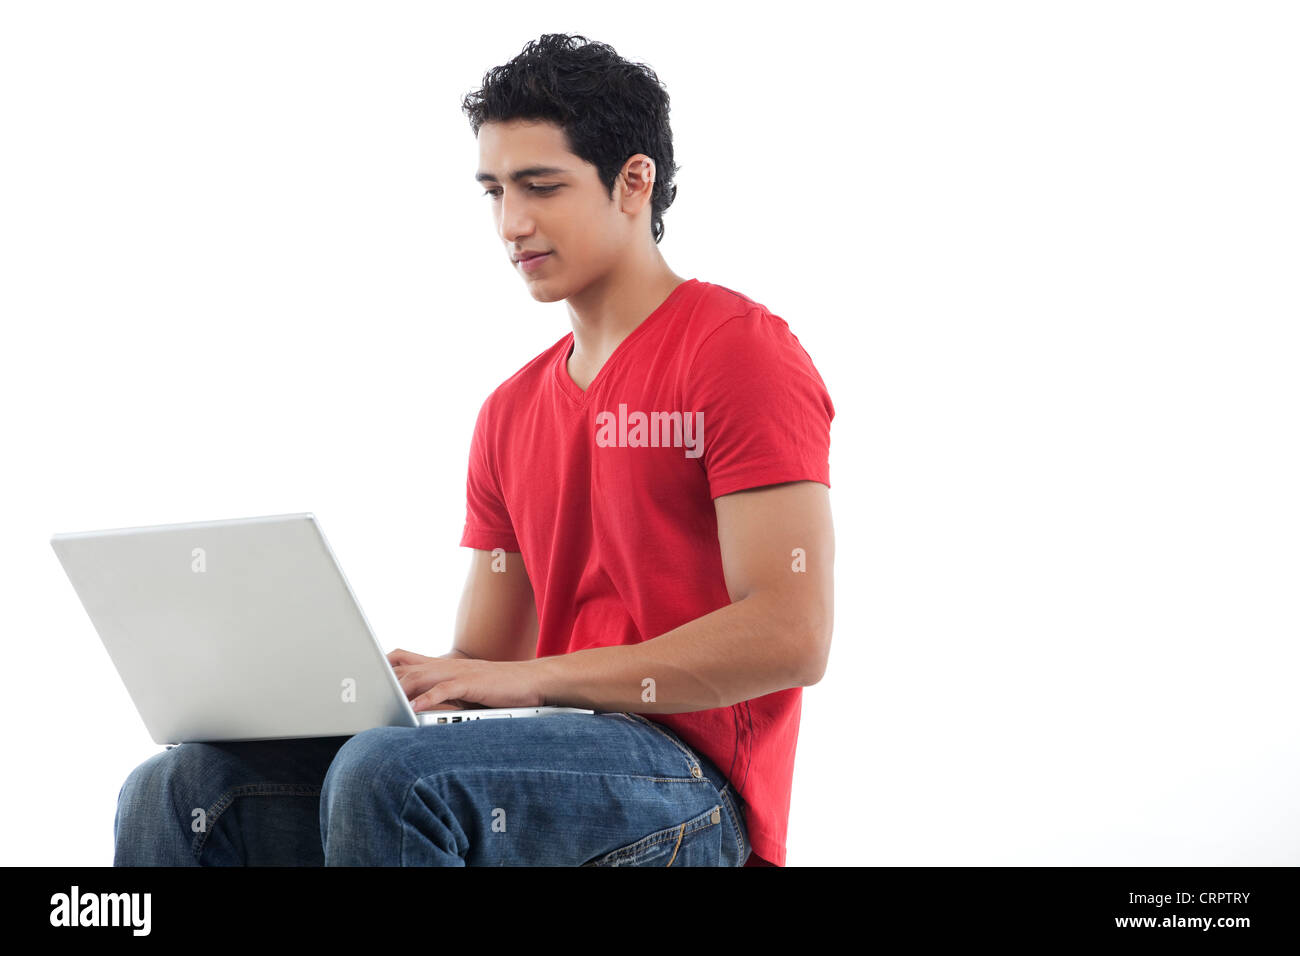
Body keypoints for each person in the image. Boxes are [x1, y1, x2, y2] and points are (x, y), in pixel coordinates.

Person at [114, 32, 834, 867]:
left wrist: (535, 679)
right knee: (181, 790)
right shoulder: (509, 411)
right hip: (552, 764)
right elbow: (488, 664)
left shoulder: (739, 352)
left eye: (541, 186)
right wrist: (384, 685)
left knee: (394, 779)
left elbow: (793, 635)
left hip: (695, 791)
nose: (510, 223)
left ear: (634, 183)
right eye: (493, 190)